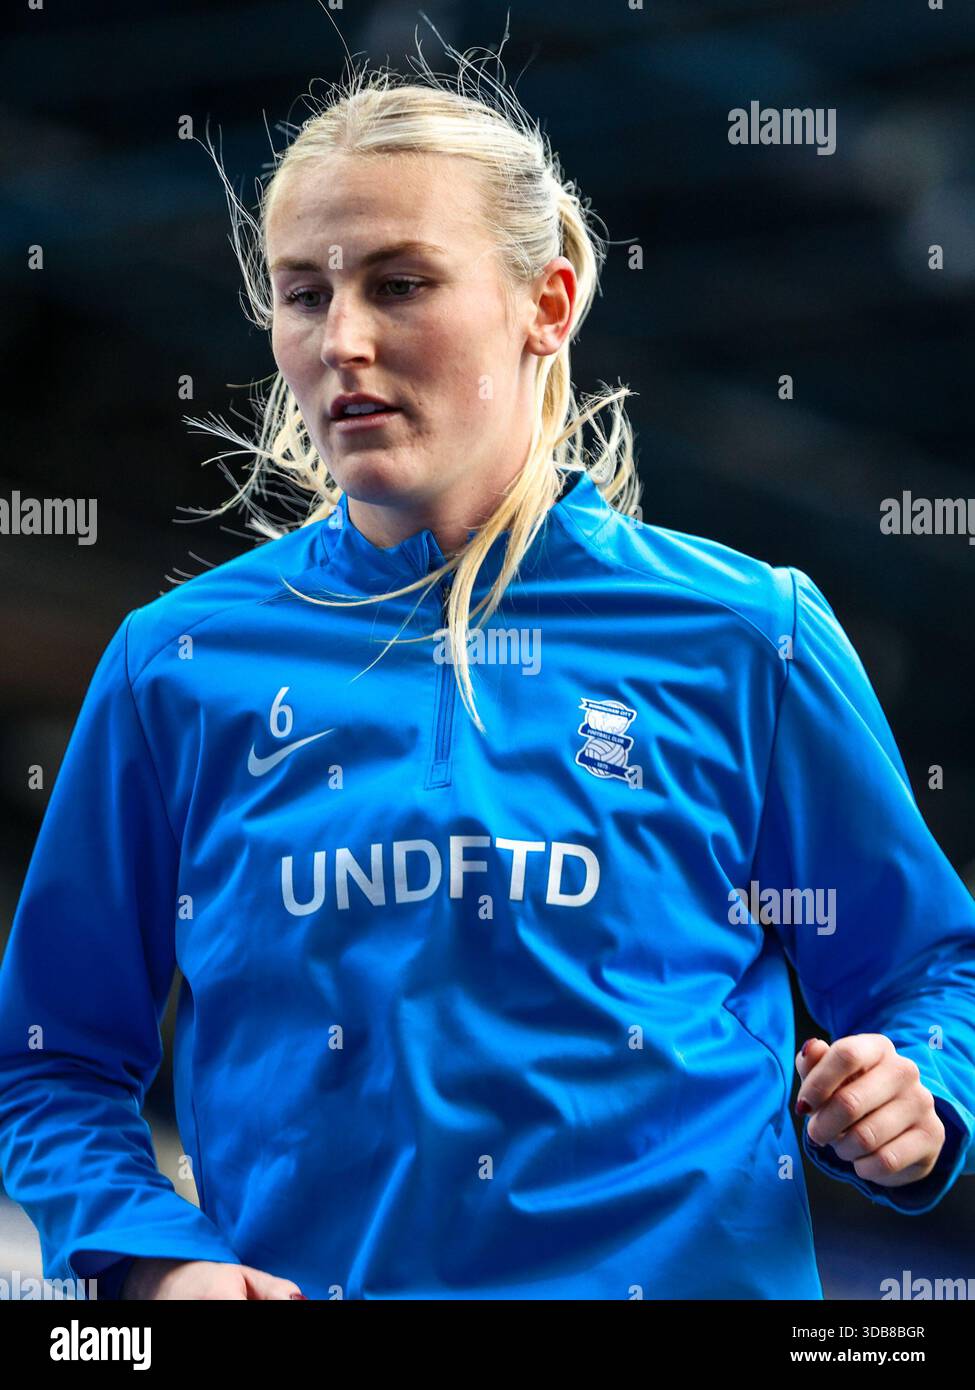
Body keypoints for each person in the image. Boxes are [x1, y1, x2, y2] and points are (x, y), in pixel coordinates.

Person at [1, 50, 973, 1303]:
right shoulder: (176, 665)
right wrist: (152, 1263)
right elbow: (51, 1060)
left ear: (546, 303)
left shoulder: (746, 634)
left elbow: (931, 971)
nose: (343, 340)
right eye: (304, 294)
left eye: (400, 283)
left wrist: (921, 1090)